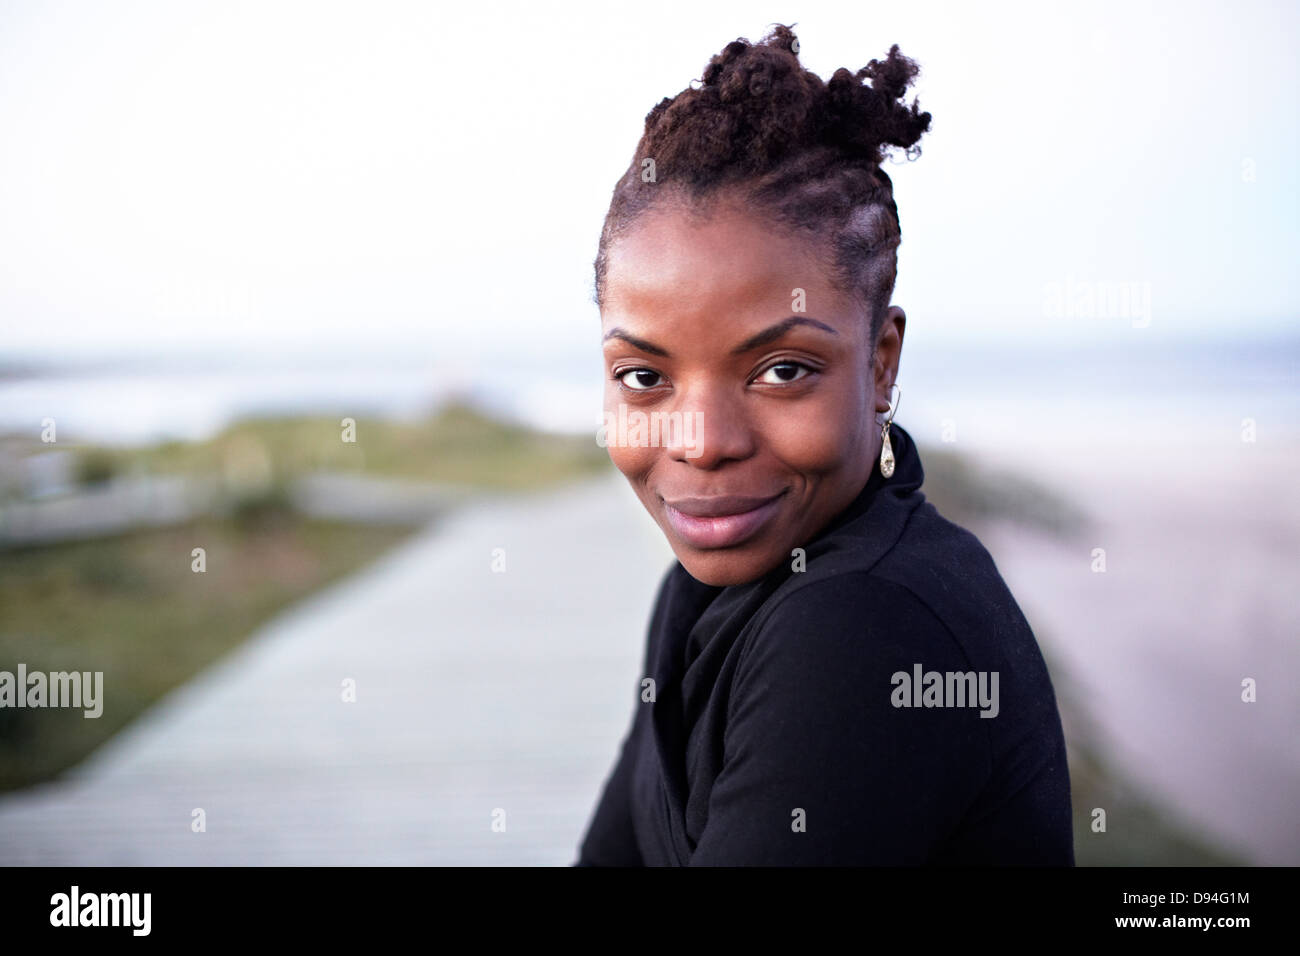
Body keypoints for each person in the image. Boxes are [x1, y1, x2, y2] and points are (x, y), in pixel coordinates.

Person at [575, 23, 1074, 865]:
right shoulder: (697, 594)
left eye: (780, 371)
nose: (701, 444)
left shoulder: (866, 627)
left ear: (881, 364)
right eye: (644, 378)